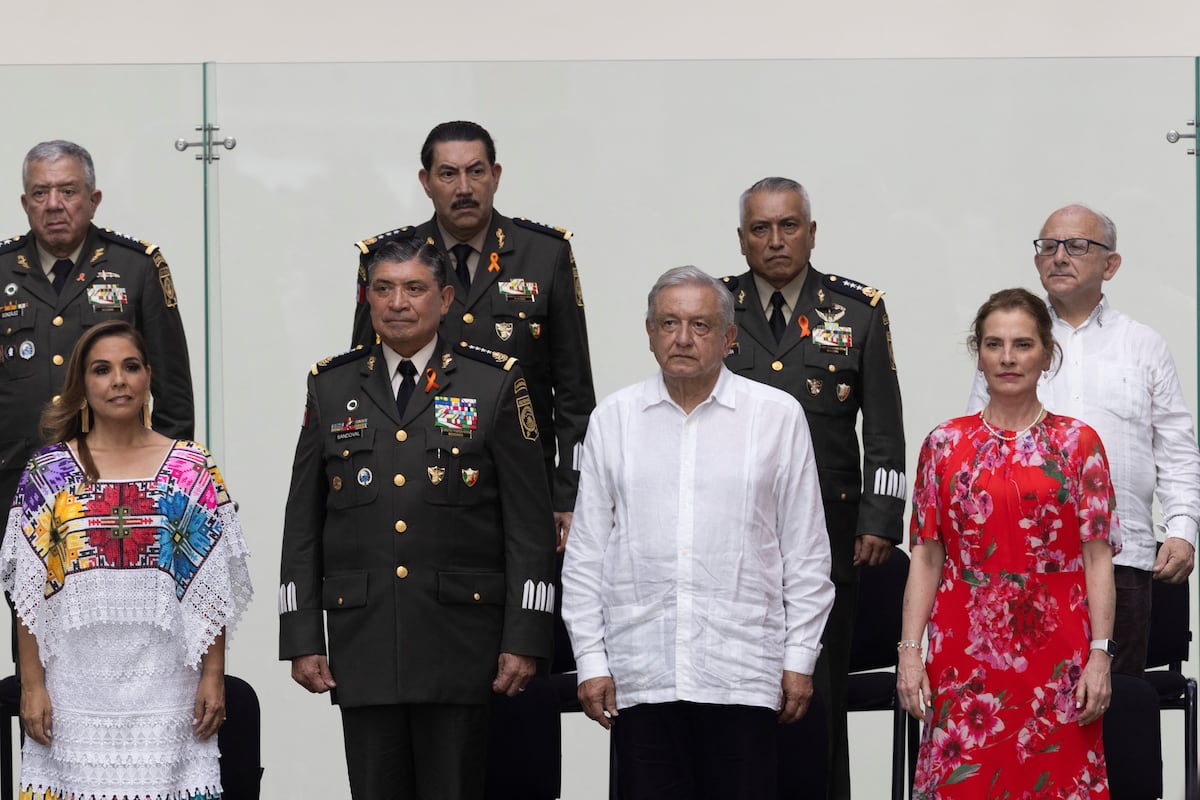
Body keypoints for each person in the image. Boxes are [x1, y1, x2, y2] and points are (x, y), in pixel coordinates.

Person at [350, 120, 595, 797]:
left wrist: (566, 496)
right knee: (434, 706)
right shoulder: (392, 261)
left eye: (476, 171)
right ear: (425, 181)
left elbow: (575, 394)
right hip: (427, 511)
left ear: (496, 174)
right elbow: (365, 385)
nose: (464, 187)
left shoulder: (544, 256)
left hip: (520, 512)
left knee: (519, 703)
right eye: (448, 174)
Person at [280, 238, 557, 800]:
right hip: (365, 640)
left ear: (446, 298)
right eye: (383, 289)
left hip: (461, 644)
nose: (398, 302)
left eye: (414, 288)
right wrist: (302, 634)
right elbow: (303, 523)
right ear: (368, 299)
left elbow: (528, 524)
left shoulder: (494, 382)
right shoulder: (332, 385)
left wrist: (526, 635)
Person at [562, 266, 835, 800]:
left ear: (730, 337)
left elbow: (805, 553)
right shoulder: (613, 419)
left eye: (701, 325)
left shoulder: (776, 416)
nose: (682, 338)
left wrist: (799, 660)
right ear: (648, 332)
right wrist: (590, 662)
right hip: (643, 671)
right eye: (669, 323)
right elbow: (588, 553)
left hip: (743, 671)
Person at [0, 320, 251, 800]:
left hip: (171, 693)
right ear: (81, 385)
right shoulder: (49, 473)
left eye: (130, 367)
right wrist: (32, 685)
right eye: (102, 369)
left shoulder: (191, 468)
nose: (119, 380)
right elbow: (29, 593)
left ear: (148, 376)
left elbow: (210, 584)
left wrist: (214, 675)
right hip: (73, 694)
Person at [722, 176, 905, 798]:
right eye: (761, 229)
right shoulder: (712, 308)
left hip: (828, 539)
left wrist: (880, 517)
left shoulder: (857, 310)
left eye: (789, 226)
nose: (776, 241)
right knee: (736, 702)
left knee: (817, 697)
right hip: (731, 539)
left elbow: (884, 428)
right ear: (742, 240)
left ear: (812, 232)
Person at [899, 288, 1117, 797]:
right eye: (994, 344)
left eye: (1022, 344)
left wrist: (1101, 655)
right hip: (962, 654)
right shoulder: (943, 444)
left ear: (1046, 353)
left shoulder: (1078, 443)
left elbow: (1098, 558)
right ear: (978, 352)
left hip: (1060, 656)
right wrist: (910, 653)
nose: (1008, 357)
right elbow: (926, 557)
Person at [967, 204, 1200, 676]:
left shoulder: (1143, 345)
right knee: (1031, 714)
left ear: (1110, 265)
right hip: (1022, 560)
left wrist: (1181, 528)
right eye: (1048, 246)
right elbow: (980, 441)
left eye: (1077, 246)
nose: (1059, 257)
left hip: (1122, 557)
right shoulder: (1013, 343)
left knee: (1113, 712)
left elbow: (1176, 448)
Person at [0, 140, 194, 517]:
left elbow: (173, 397)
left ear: (94, 199)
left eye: (68, 191)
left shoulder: (136, 268)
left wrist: (168, 482)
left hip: (116, 484)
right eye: (40, 192)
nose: (54, 204)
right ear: (25, 204)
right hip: (13, 484)